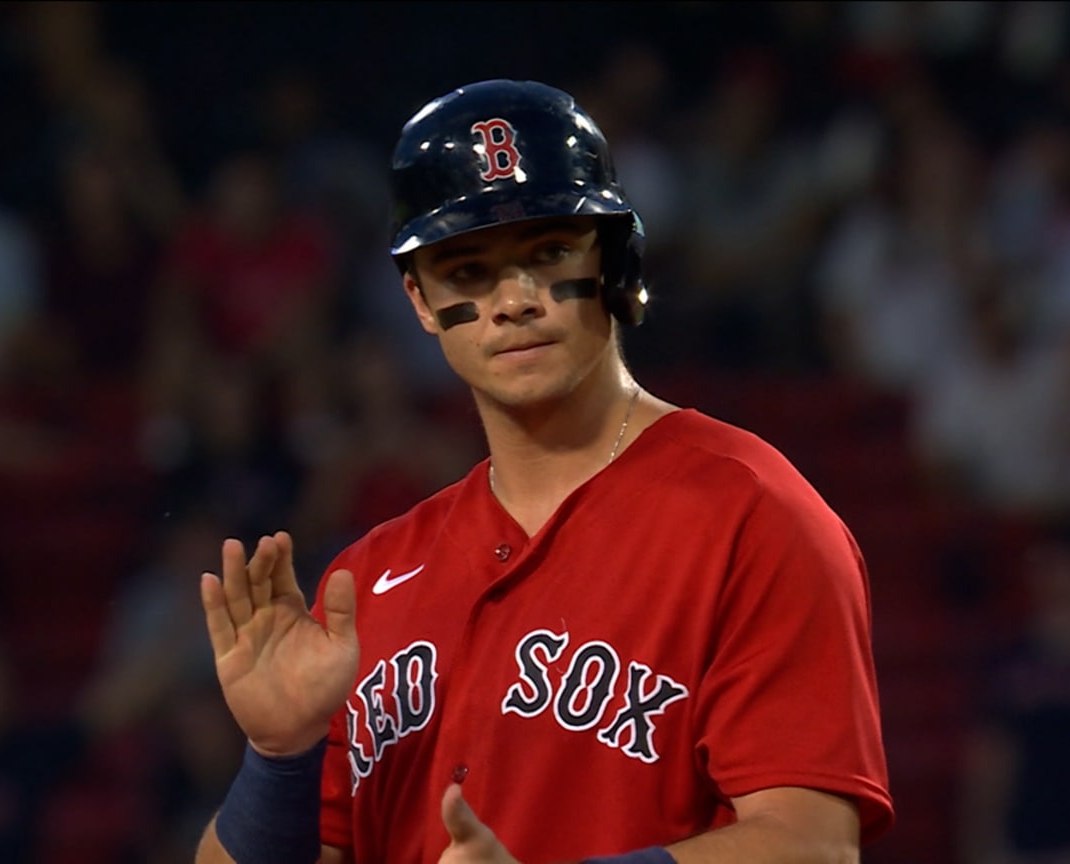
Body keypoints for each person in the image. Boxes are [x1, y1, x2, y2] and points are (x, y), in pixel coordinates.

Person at [194, 79, 893, 864]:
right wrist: (278, 761)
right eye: (468, 271)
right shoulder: (369, 579)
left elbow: (812, 844)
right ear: (420, 301)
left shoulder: (754, 515)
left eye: (549, 253)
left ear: (616, 261)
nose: (514, 301)